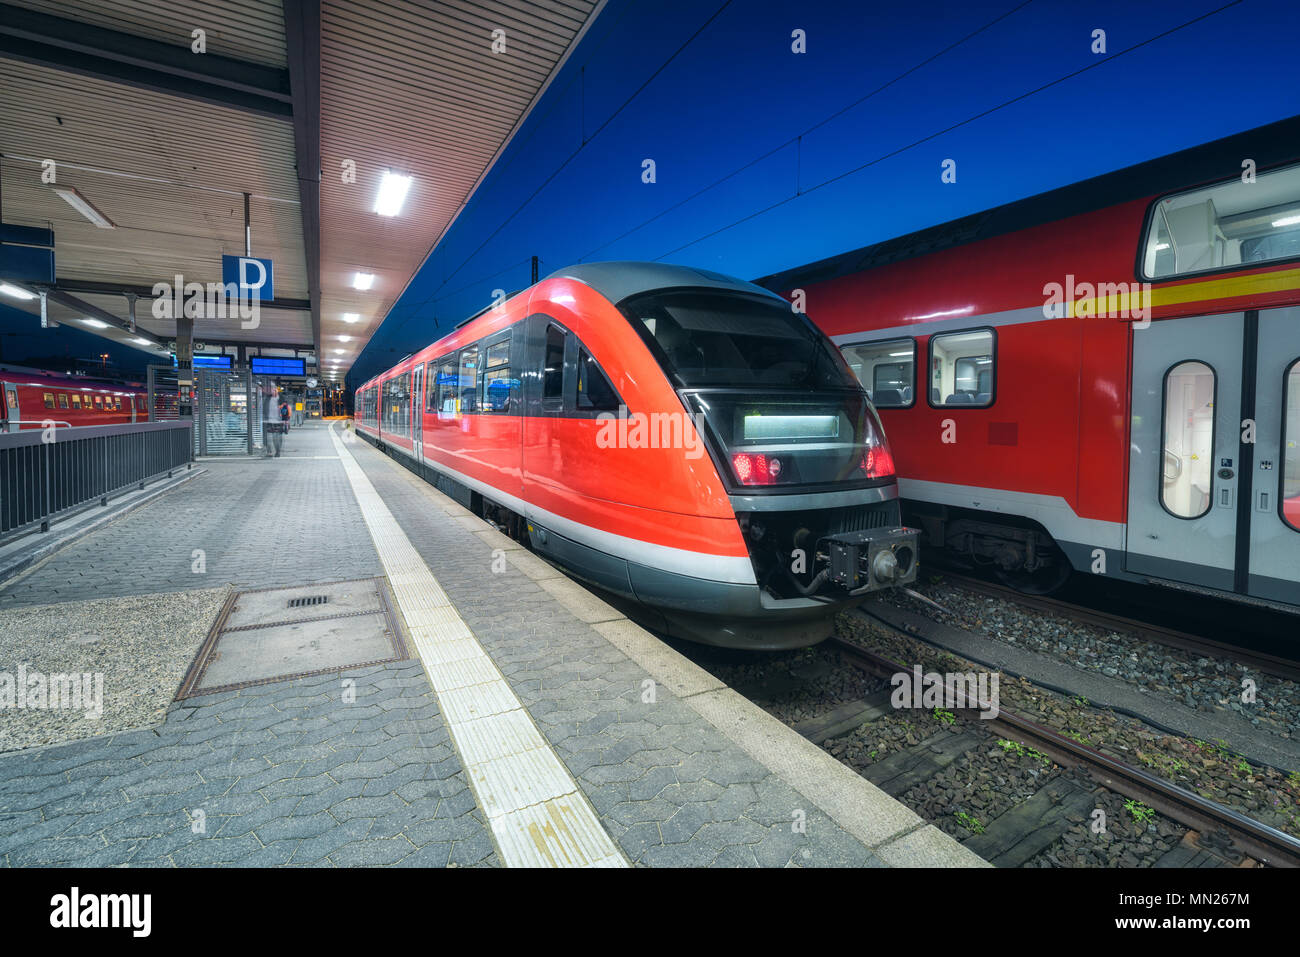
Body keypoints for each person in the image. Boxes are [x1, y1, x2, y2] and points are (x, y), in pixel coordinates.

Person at [263, 386, 283, 457]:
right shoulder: (267, 399)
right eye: (272, 390)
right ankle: (269, 452)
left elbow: (286, 410)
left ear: (277, 391)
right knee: (268, 438)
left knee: (276, 439)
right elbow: (263, 408)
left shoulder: (281, 400)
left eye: (275, 390)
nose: (273, 392)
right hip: (268, 421)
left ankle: (278, 451)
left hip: (278, 422)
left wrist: (285, 419)